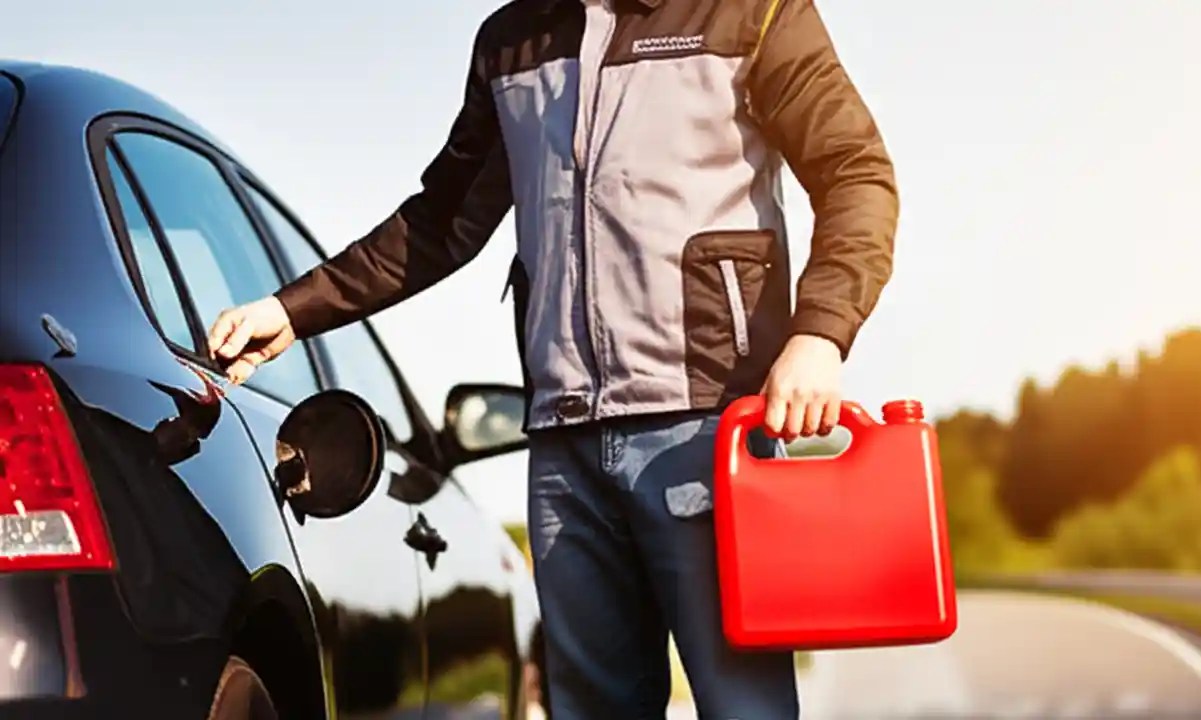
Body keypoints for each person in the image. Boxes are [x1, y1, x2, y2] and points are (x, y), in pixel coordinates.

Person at [207, 0, 897, 716]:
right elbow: (439, 223)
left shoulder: (752, 13)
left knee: (742, 708)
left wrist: (819, 332)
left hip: (709, 437)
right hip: (566, 451)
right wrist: (295, 309)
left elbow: (857, 174)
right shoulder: (512, 42)